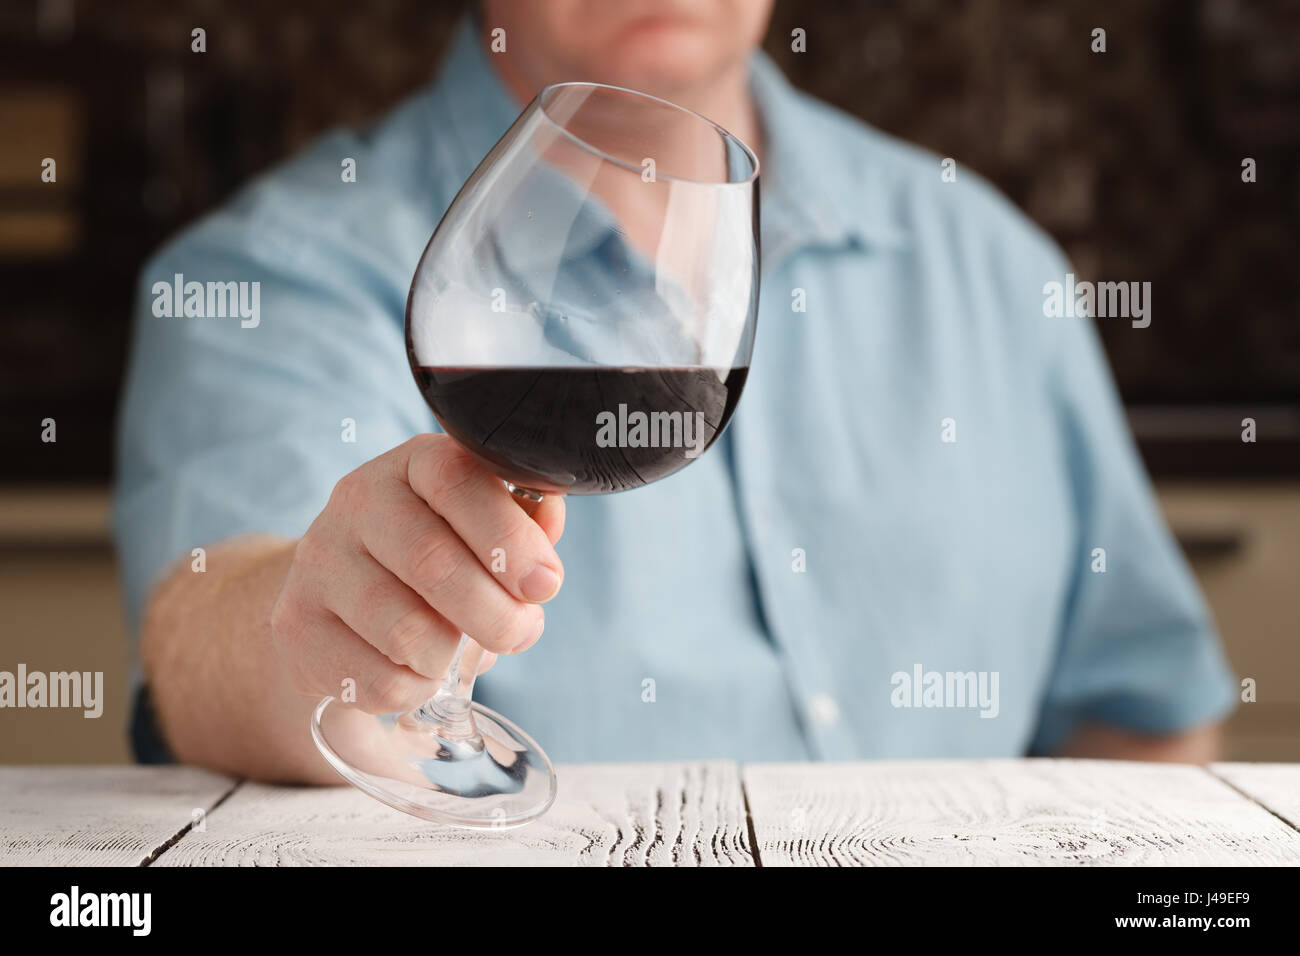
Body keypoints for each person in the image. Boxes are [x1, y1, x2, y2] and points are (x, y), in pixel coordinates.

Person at [115, 0, 1237, 783]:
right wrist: (319, 628)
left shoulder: (986, 261)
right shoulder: (276, 273)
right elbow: (212, 638)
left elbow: (1146, 712)